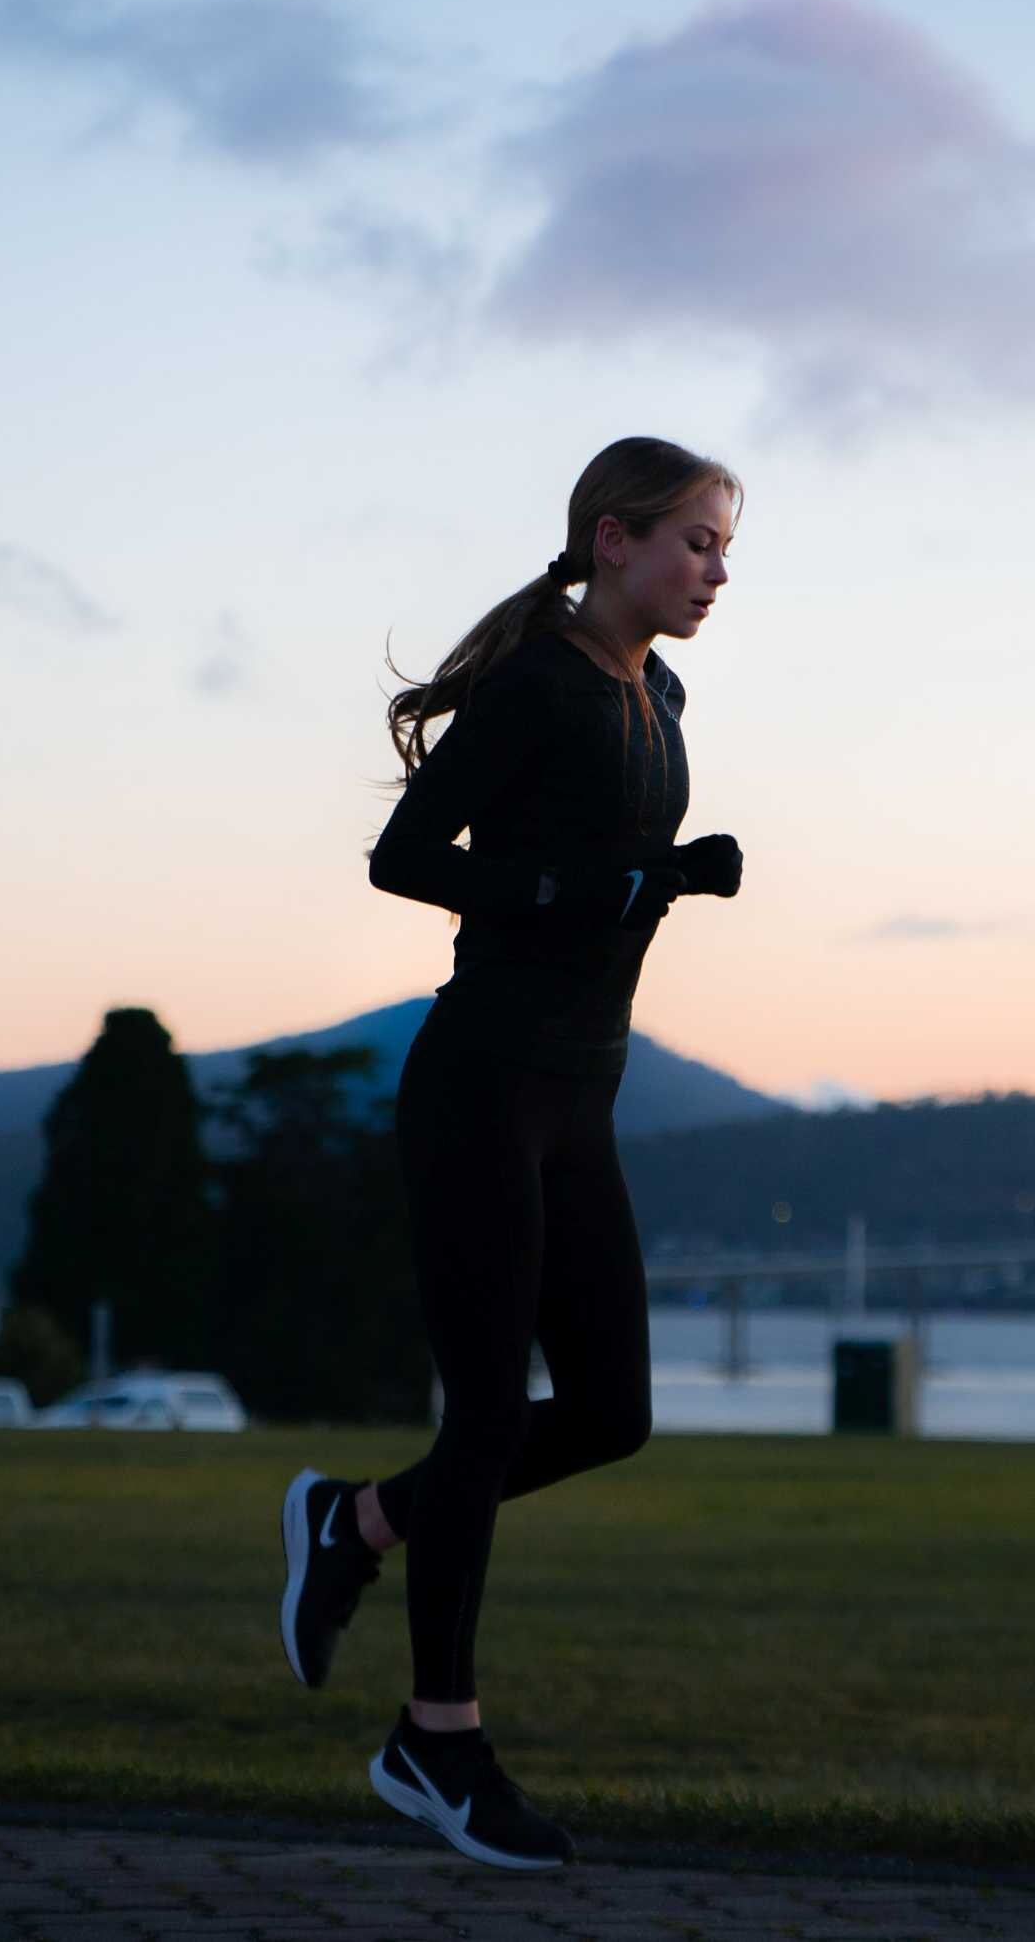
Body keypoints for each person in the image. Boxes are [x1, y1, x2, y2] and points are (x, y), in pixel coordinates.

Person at [276, 435, 744, 1870]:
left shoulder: (659, 694)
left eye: (724, 551)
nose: (715, 573)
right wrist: (587, 886)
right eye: (696, 544)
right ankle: (438, 1742)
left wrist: (664, 881)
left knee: (610, 1412)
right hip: (481, 1084)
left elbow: (609, 881)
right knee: (485, 1416)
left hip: (580, 1096)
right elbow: (409, 857)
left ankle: (357, 1526)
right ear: (614, 540)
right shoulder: (539, 681)